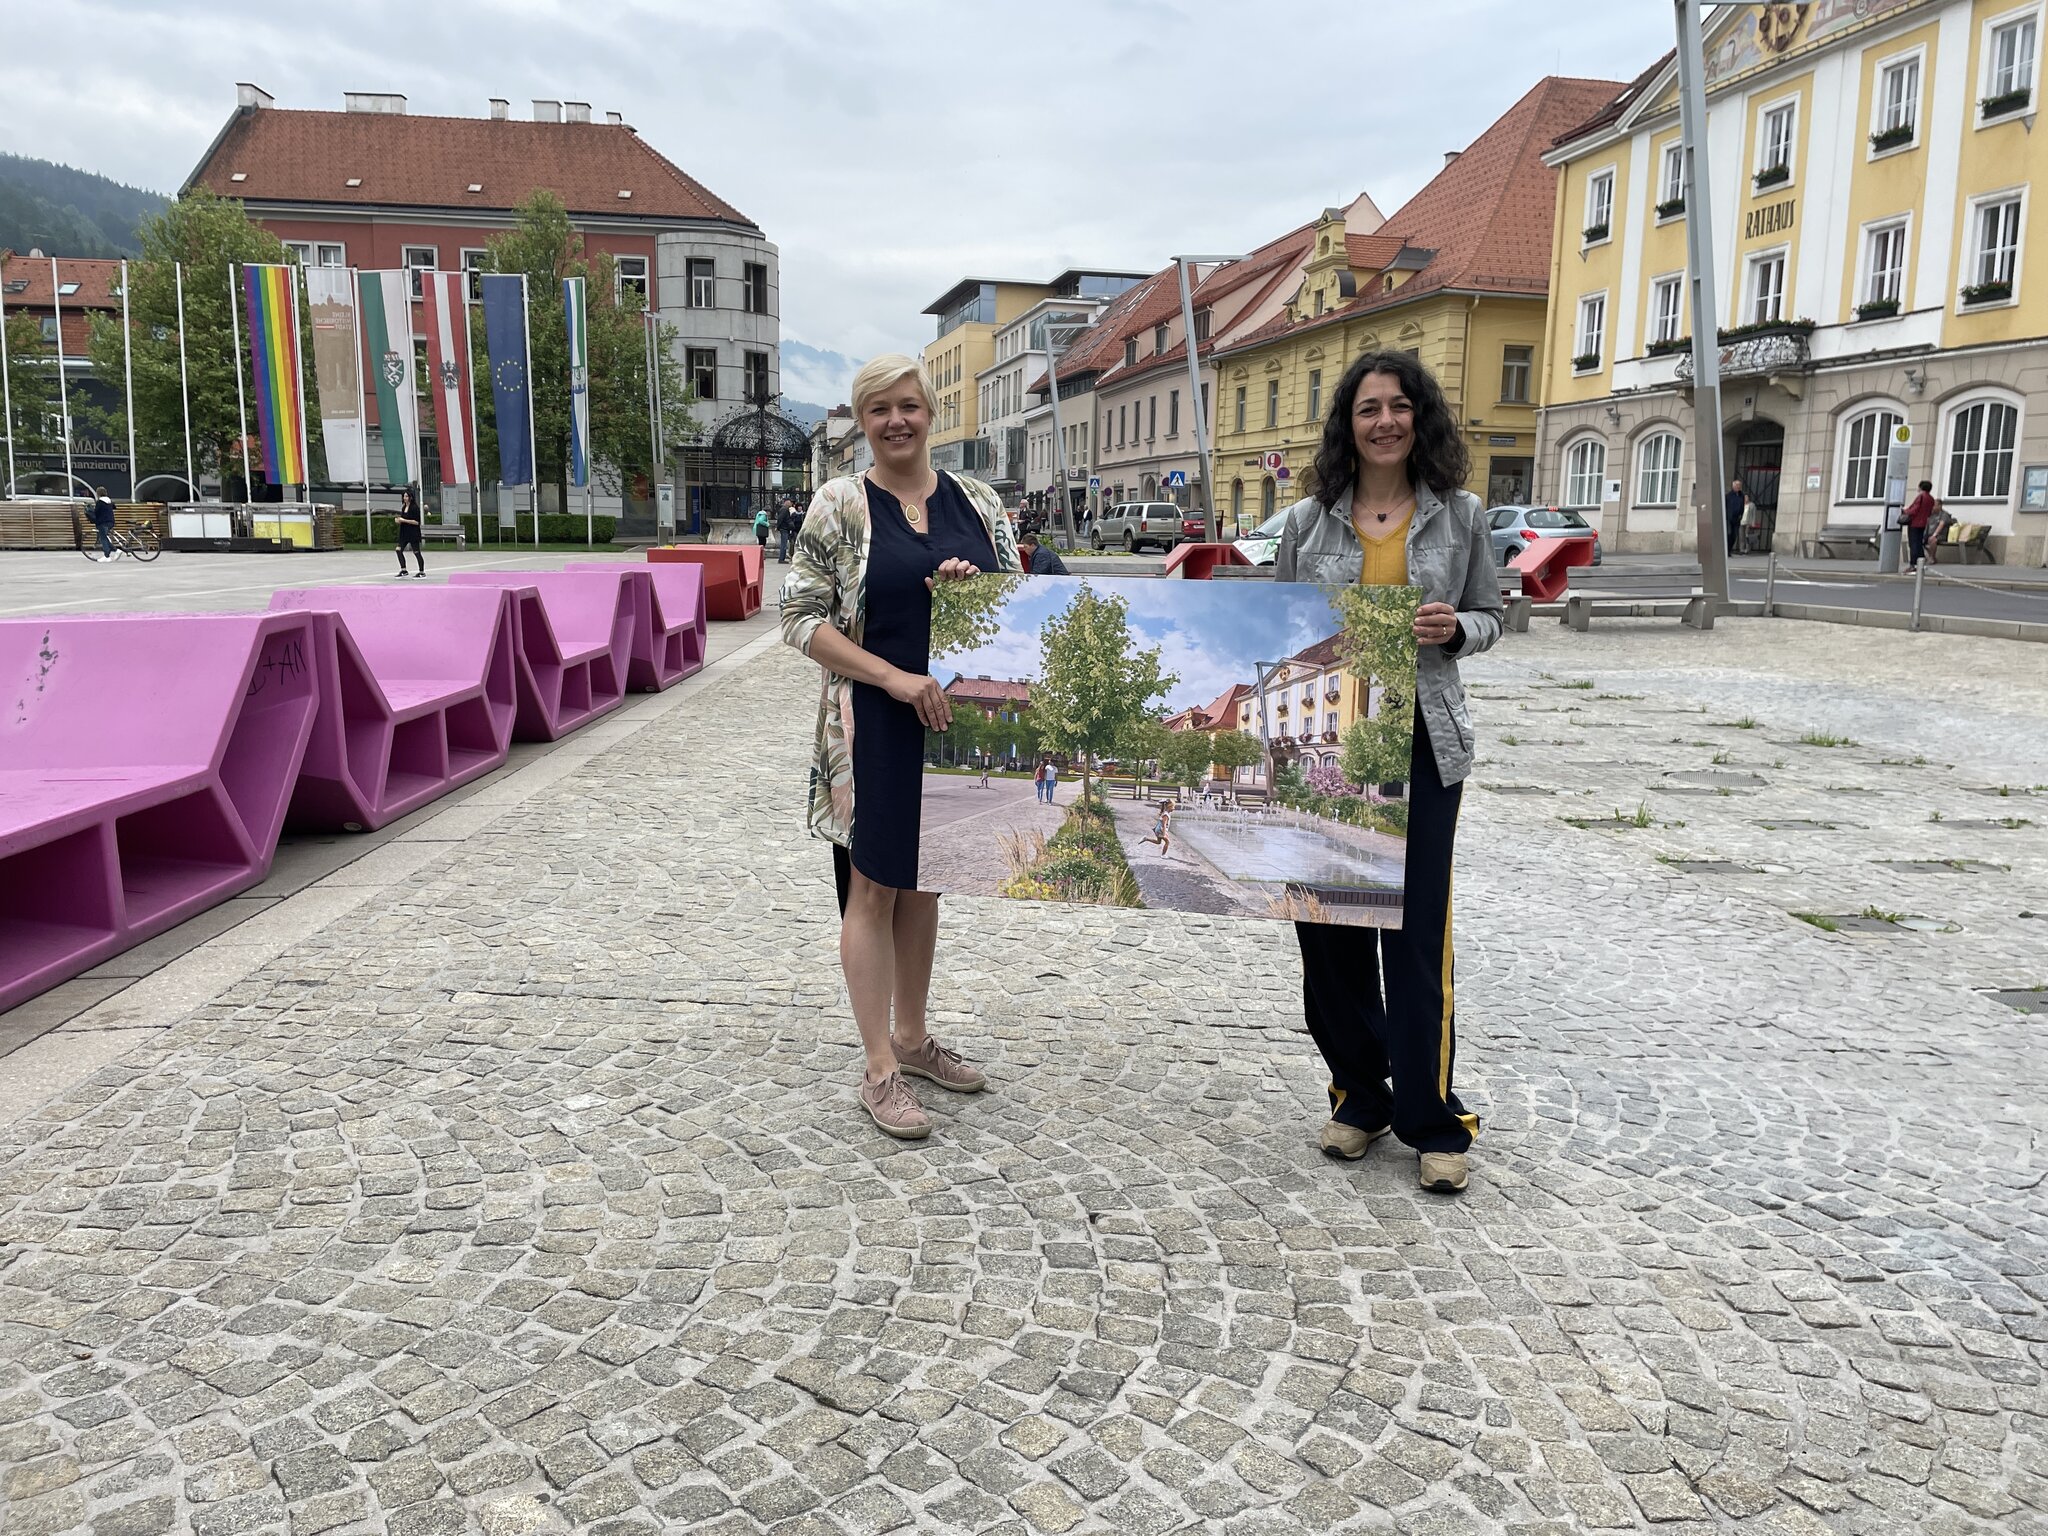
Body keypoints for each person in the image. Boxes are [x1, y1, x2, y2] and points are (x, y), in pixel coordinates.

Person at [1274, 349, 1504, 1197]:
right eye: (1368, 409)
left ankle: (1432, 1119)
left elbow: (1493, 615)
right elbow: (1282, 632)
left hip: (1421, 743)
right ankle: (1358, 1097)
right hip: (1331, 745)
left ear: (1421, 418)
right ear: (1348, 424)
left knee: (1415, 936)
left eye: (1399, 406)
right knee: (1326, 927)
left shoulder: (1461, 516)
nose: (1384, 422)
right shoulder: (1306, 524)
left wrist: (1457, 631)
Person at [779, 353, 1023, 1141]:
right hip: (874, 723)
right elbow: (799, 619)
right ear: (862, 421)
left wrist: (968, 589)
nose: (896, 421)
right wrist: (891, 677)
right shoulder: (839, 503)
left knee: (927, 885)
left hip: (947, 721)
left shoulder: (978, 503)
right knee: (873, 889)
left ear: (930, 412)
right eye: (878, 409)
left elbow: (1019, 602)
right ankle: (879, 1069)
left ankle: (914, 1040)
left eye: (909, 406)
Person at [1903, 479, 1937, 567]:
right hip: (1923, 523)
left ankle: (1913, 564)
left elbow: (1914, 509)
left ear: (1921, 487)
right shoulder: (1931, 498)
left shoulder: (1921, 497)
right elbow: (1930, 512)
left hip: (1915, 523)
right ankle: (1920, 563)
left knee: (1913, 544)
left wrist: (1905, 510)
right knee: (1919, 543)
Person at [394, 485, 425, 578]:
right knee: (398, 550)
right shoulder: (403, 507)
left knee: (416, 552)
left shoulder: (414, 508)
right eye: (404, 496)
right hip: (404, 533)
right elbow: (403, 518)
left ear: (410, 497)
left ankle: (421, 571)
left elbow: (416, 522)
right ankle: (403, 570)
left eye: (407, 496)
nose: (405, 498)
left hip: (413, 533)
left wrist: (404, 520)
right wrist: (399, 520)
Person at [87, 488, 118, 562]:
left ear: (98, 494)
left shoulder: (100, 502)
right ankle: (116, 550)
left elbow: (96, 512)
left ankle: (107, 556)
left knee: (103, 538)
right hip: (110, 521)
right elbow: (114, 507)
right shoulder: (109, 501)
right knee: (104, 537)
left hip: (102, 522)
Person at [1724, 477, 1745, 558]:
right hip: (1729, 519)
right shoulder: (1728, 496)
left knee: (1734, 536)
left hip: (1737, 519)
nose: (1738, 487)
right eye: (1737, 485)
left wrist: (1741, 515)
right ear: (1733, 486)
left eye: (1739, 485)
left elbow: (1742, 507)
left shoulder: (1741, 496)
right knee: (1729, 534)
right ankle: (1726, 550)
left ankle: (1729, 550)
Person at [777, 499, 800, 563]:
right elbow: (780, 518)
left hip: (784, 528)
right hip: (784, 528)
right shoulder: (784, 510)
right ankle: (781, 559)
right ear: (787, 503)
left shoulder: (785, 509)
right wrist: (778, 527)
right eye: (790, 503)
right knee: (784, 544)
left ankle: (782, 558)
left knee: (785, 544)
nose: (791, 505)